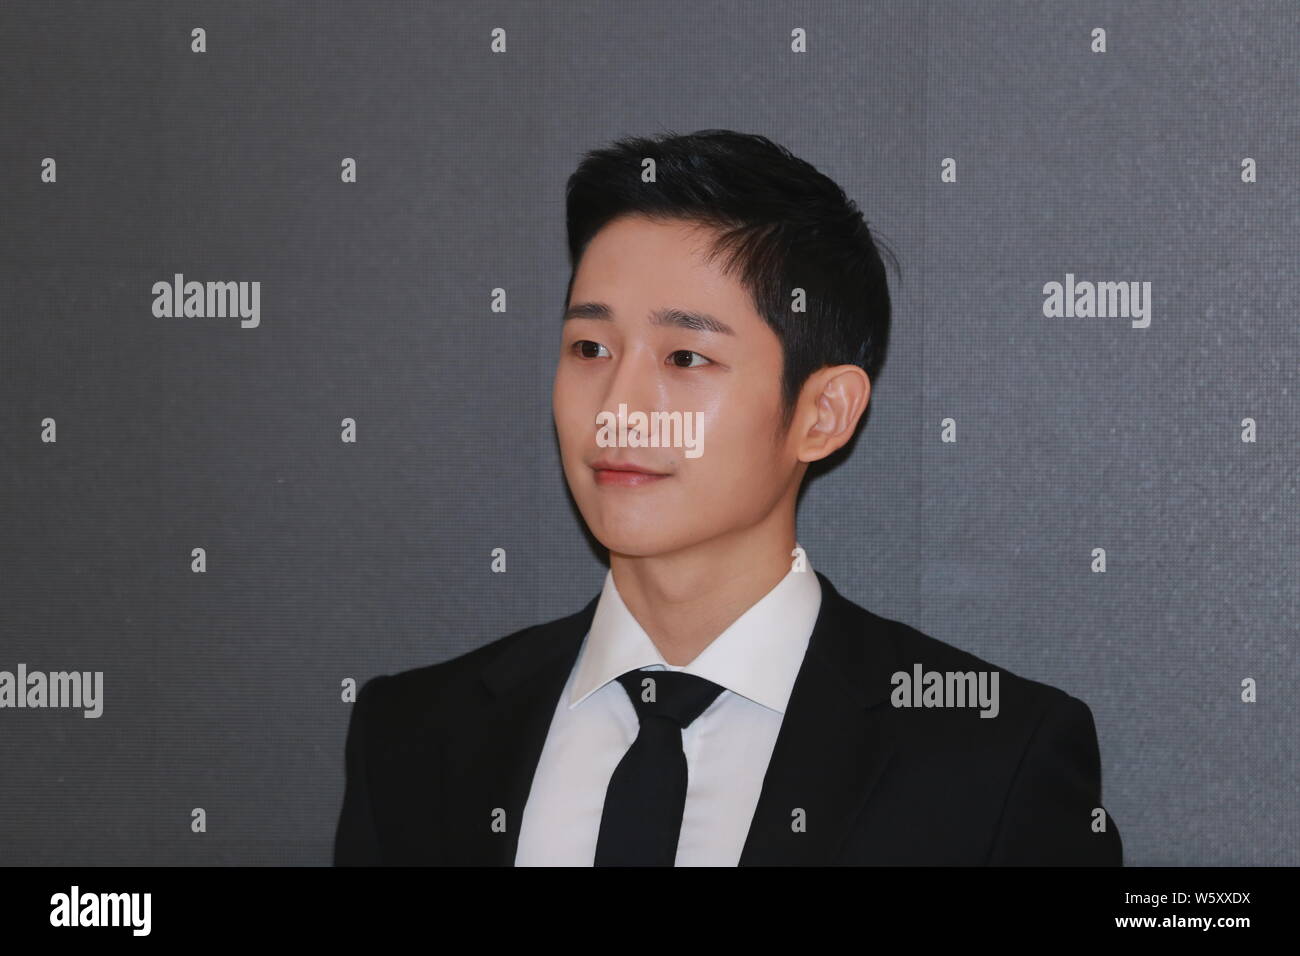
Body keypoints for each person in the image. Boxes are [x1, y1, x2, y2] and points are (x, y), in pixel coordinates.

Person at [333, 129, 1122, 866]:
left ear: (822, 413)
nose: (619, 407)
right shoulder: (414, 736)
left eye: (685, 356)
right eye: (590, 348)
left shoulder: (989, 759)